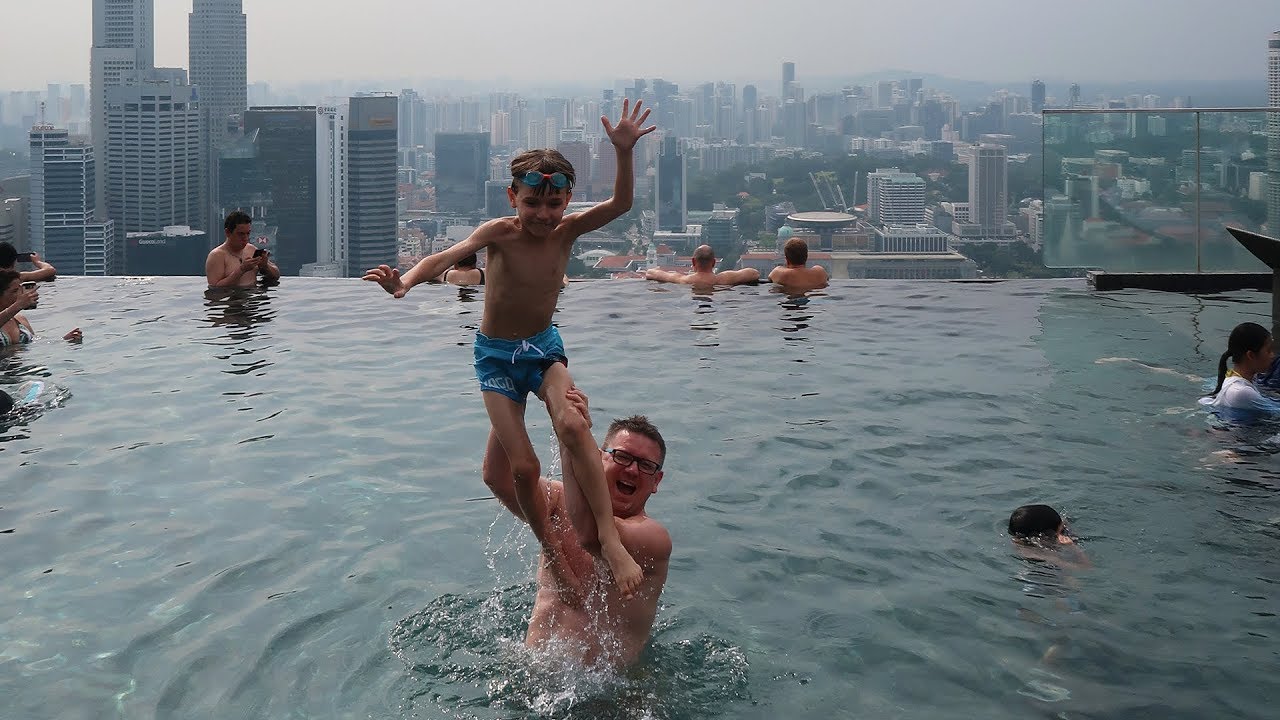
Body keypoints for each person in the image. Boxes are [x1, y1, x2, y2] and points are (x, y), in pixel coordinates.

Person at [365, 99, 656, 596]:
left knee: (572, 421)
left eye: (553, 204)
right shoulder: (499, 233)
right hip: (496, 359)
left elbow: (621, 205)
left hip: (543, 348)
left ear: (566, 202)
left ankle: (608, 537)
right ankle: (550, 547)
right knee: (522, 467)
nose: (543, 214)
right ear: (512, 198)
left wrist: (623, 153)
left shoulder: (567, 230)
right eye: (532, 203)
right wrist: (405, 282)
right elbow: (445, 256)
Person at [483, 387, 671, 667]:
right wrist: (511, 397)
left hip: (610, 699)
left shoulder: (653, 537)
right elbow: (498, 478)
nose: (632, 470)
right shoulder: (558, 500)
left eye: (646, 465)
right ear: (599, 457)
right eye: (621, 456)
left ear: (657, 481)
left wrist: (570, 431)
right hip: (532, 679)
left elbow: (589, 533)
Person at [1199, 322, 1280, 420]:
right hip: (1233, 433)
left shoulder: (1233, 379)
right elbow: (1276, 409)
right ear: (1251, 355)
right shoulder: (1241, 392)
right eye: (1268, 351)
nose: (1272, 356)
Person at [0, 270, 80, 346]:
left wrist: (63, 340)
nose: (20, 294)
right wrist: (18, 305)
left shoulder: (20, 320)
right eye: (15, 291)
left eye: (20, 290)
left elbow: (35, 343)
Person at [206, 210, 280, 289]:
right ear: (228, 232)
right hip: (230, 299)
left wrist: (265, 266)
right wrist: (241, 270)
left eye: (248, 233)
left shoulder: (251, 249)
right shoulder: (217, 255)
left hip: (253, 297)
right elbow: (215, 287)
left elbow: (276, 275)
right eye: (241, 234)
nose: (245, 238)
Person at [644, 245, 760, 287]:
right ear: (714, 262)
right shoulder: (723, 279)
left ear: (693, 262)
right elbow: (754, 273)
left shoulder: (683, 280)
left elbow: (650, 273)